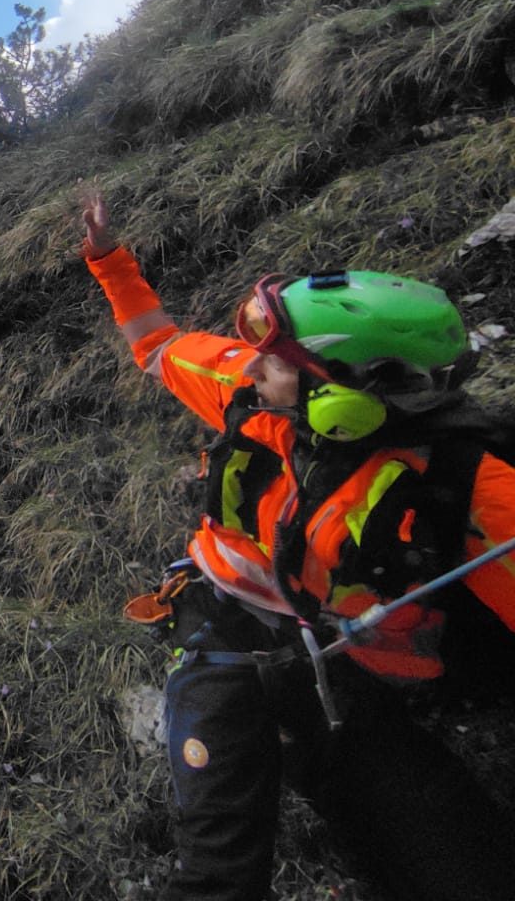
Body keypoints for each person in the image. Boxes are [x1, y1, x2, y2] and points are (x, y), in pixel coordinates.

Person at [79, 190, 515, 901]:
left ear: (343, 393)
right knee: (218, 880)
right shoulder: (249, 394)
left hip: (350, 675)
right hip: (222, 629)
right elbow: (157, 347)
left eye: (272, 361)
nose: (248, 367)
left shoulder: (470, 486)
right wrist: (108, 261)